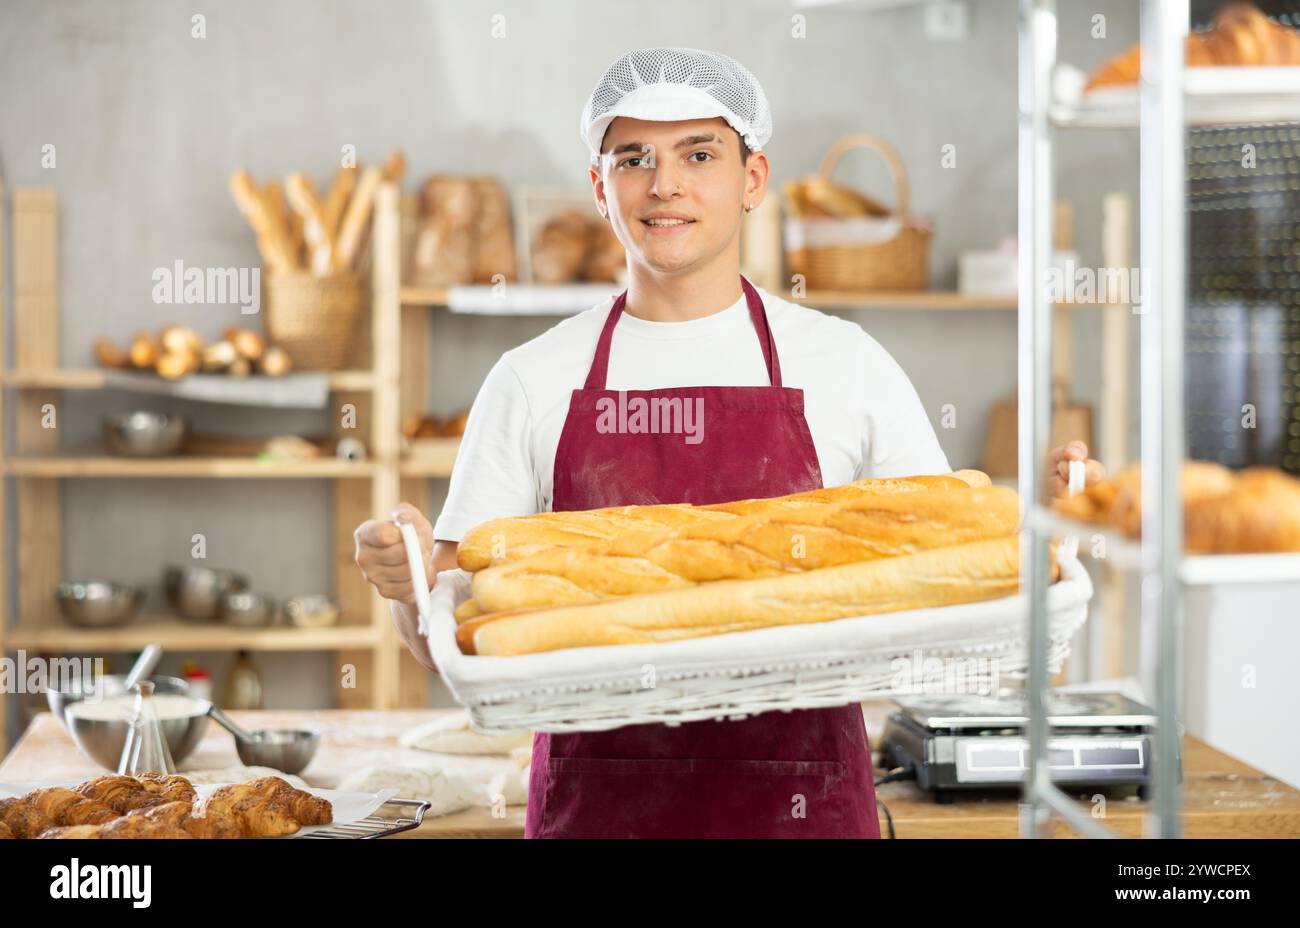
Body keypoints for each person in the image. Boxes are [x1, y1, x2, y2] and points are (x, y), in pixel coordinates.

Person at [354, 47, 1105, 838]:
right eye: (633, 158)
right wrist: (410, 586)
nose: (664, 184)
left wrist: (1051, 530)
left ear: (753, 180)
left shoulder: (845, 362)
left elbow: (948, 587)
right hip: (600, 816)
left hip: (803, 813)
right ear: (600, 188)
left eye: (699, 154)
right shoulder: (531, 378)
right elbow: (454, 647)